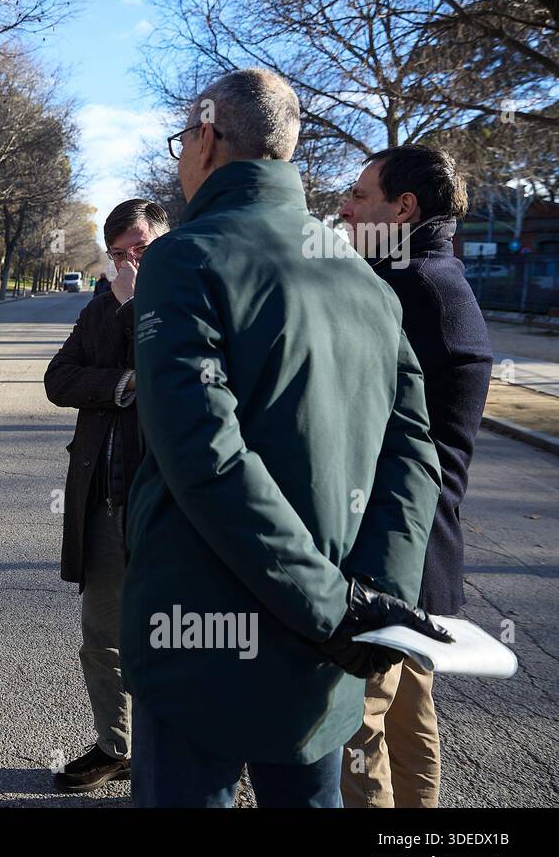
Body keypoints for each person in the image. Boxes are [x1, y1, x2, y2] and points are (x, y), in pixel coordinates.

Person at [123, 67, 448, 808]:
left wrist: (338, 609)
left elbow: (206, 456)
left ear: (206, 137)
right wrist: (373, 602)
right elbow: (412, 455)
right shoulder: (364, 280)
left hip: (200, 640)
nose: (182, 157)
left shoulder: (183, 257)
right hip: (326, 649)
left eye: (182, 140)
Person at [337, 145, 492, 808]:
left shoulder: (408, 288)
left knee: (356, 724)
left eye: (360, 196)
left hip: (388, 552)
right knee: (406, 714)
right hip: (418, 550)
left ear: (404, 208)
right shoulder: (431, 276)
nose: (345, 208)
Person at [44, 199, 168, 792]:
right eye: (119, 255)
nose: (129, 265)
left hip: (164, 504)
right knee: (102, 637)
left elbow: (169, 374)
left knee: (174, 635)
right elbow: (59, 379)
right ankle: (116, 746)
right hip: (101, 496)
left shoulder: (187, 301)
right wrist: (122, 383)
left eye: (140, 250)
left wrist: (135, 307)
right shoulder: (100, 306)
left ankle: (177, 758)